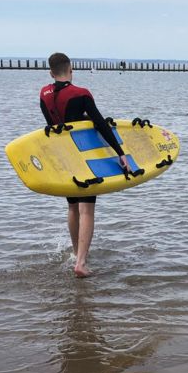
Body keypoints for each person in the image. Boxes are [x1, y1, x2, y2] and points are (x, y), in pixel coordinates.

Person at [40, 52, 131, 278]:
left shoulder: (44, 94)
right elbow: (100, 124)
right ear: (71, 69)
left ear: (51, 73)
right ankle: (81, 263)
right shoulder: (81, 93)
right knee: (87, 209)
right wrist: (120, 153)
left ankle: (76, 253)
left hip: (64, 158)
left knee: (72, 206)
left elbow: (53, 126)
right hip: (84, 157)